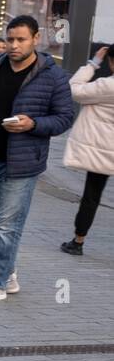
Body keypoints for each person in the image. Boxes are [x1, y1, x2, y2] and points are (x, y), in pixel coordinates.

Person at [0, 14, 75, 302]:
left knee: (9, 224)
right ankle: (7, 271)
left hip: (21, 163)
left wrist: (32, 124)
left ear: (36, 39)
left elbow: (64, 117)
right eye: (10, 39)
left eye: (20, 39)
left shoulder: (53, 75)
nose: (13, 45)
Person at [59, 44, 114, 256]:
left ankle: (78, 241)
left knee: (91, 196)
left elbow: (72, 88)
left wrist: (93, 63)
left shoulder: (106, 86)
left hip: (102, 150)